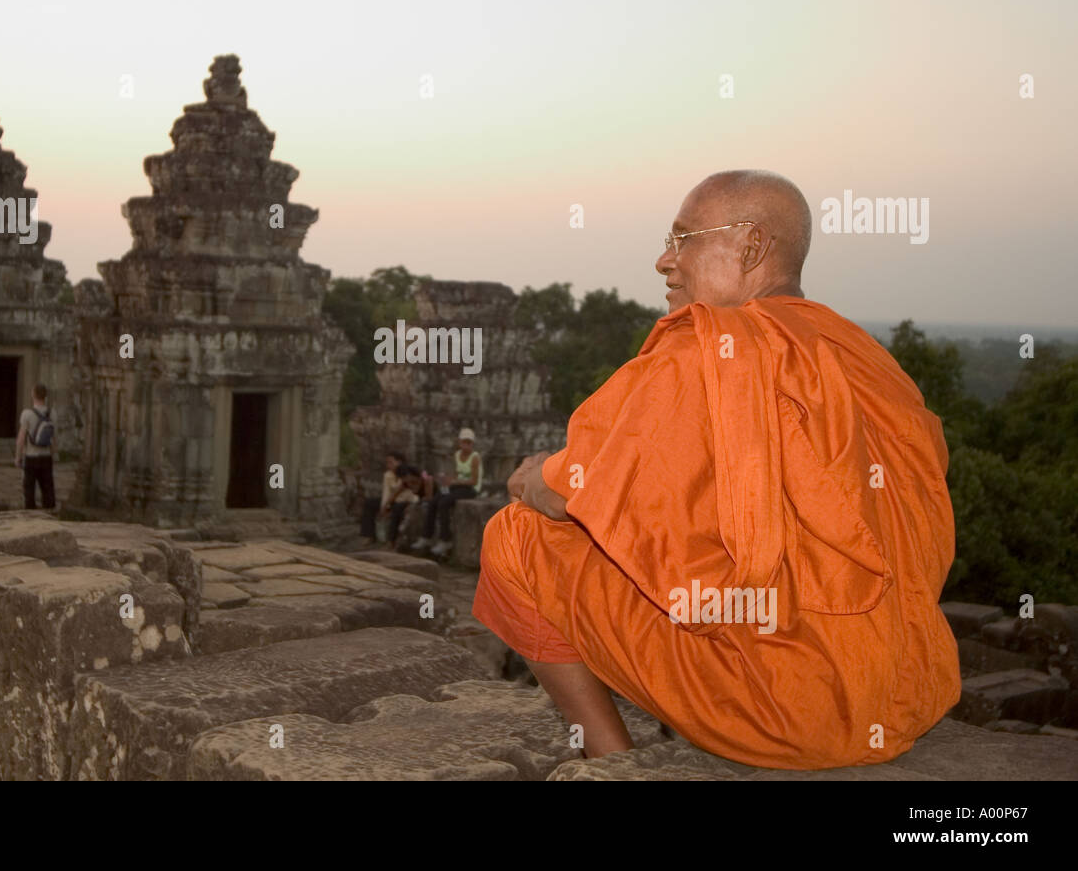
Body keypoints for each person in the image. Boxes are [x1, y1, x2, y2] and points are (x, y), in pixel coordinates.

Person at [473, 169, 961, 768]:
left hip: (784, 712)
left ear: (751, 246)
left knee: (515, 536)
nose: (663, 260)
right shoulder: (866, 357)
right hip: (907, 693)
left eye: (684, 239)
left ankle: (612, 764)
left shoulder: (708, 349)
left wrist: (528, 477)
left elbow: (568, 491)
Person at [412, 427, 483, 560]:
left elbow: (473, 480)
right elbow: (456, 474)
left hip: (470, 489)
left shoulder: (475, 457)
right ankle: (426, 536)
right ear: (460, 442)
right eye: (464, 442)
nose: (466, 445)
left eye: (469, 443)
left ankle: (446, 539)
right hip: (457, 486)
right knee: (434, 501)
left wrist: (455, 481)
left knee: (444, 503)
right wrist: (448, 480)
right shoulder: (457, 455)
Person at [15, 383, 56, 510]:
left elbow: (21, 438)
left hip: (31, 456)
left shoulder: (27, 414)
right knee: (48, 488)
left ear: (33, 395)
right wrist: (53, 455)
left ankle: (31, 517)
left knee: (29, 489)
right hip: (46, 456)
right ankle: (50, 515)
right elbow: (54, 438)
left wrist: (18, 457)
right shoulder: (52, 413)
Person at [360, 451, 406, 546]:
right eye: (387, 463)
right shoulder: (388, 475)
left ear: (399, 462)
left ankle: (391, 540)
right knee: (369, 503)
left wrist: (387, 505)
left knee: (397, 508)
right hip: (391, 500)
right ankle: (369, 535)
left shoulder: (406, 473)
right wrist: (384, 506)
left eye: (391, 462)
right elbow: (386, 492)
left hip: (404, 499)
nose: (389, 465)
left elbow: (404, 493)